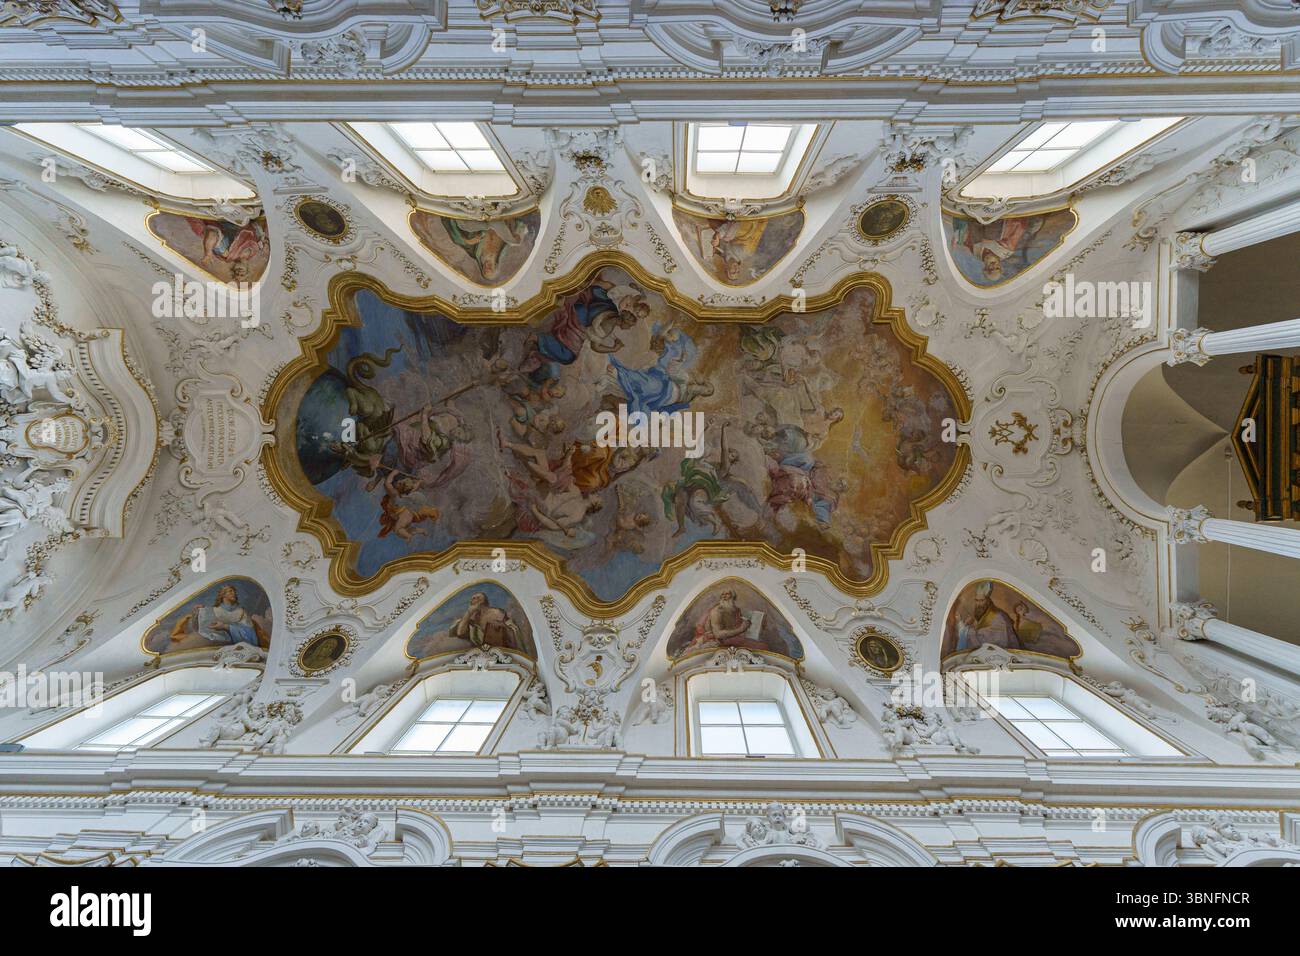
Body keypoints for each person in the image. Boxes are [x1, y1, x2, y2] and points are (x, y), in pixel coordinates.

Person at [954, 582, 1022, 651]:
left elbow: (988, 639)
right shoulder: (983, 614)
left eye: (982, 600)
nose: (979, 604)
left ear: (987, 601)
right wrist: (971, 624)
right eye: (977, 600)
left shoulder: (999, 616)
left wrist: (964, 629)